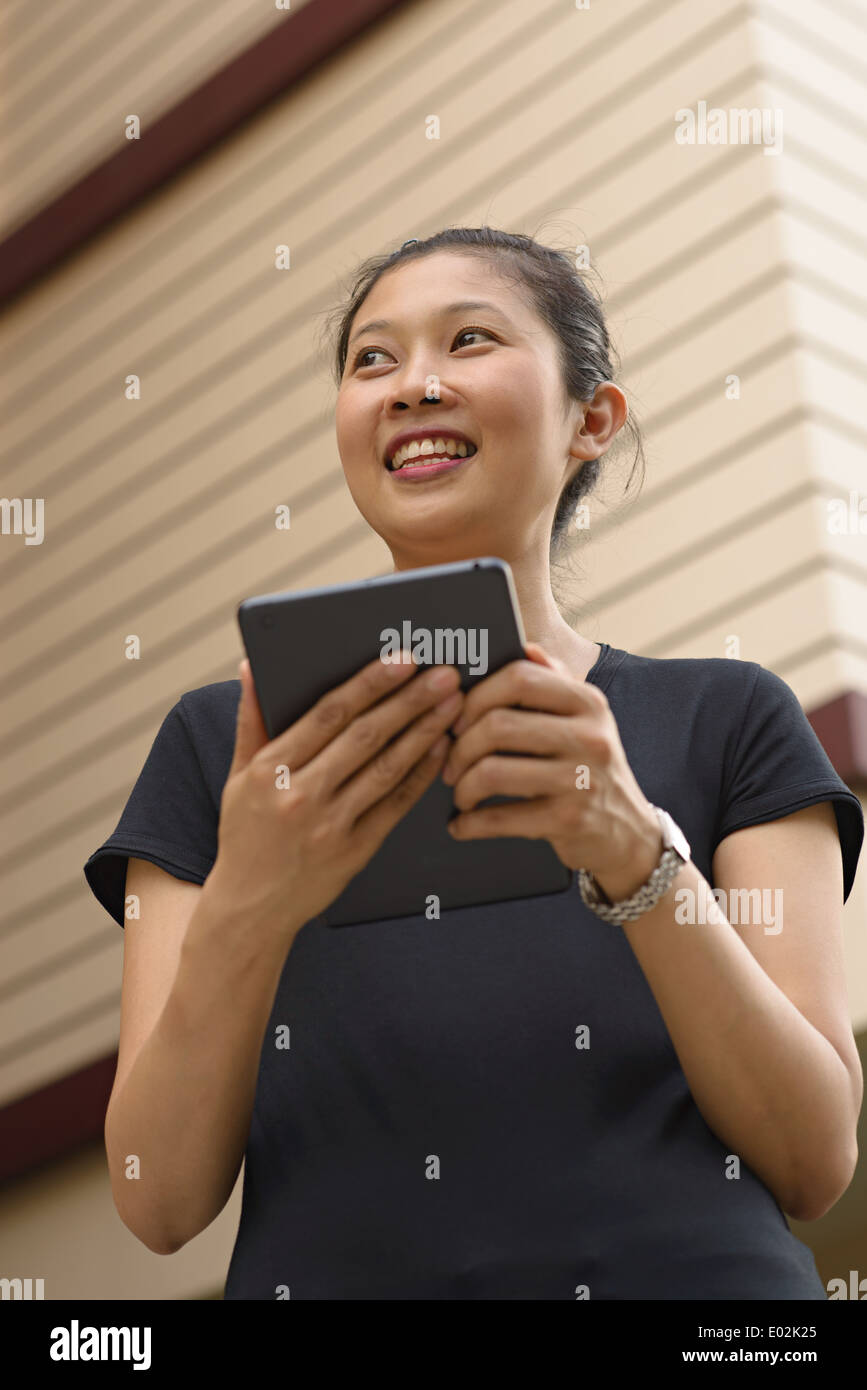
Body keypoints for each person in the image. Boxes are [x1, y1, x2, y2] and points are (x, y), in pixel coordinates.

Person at [84, 227, 864, 1300]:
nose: (412, 386)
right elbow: (155, 1198)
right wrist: (252, 903)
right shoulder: (223, 750)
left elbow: (815, 1159)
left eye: (469, 340)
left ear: (591, 419)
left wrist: (637, 857)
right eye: (372, 359)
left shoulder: (729, 717)